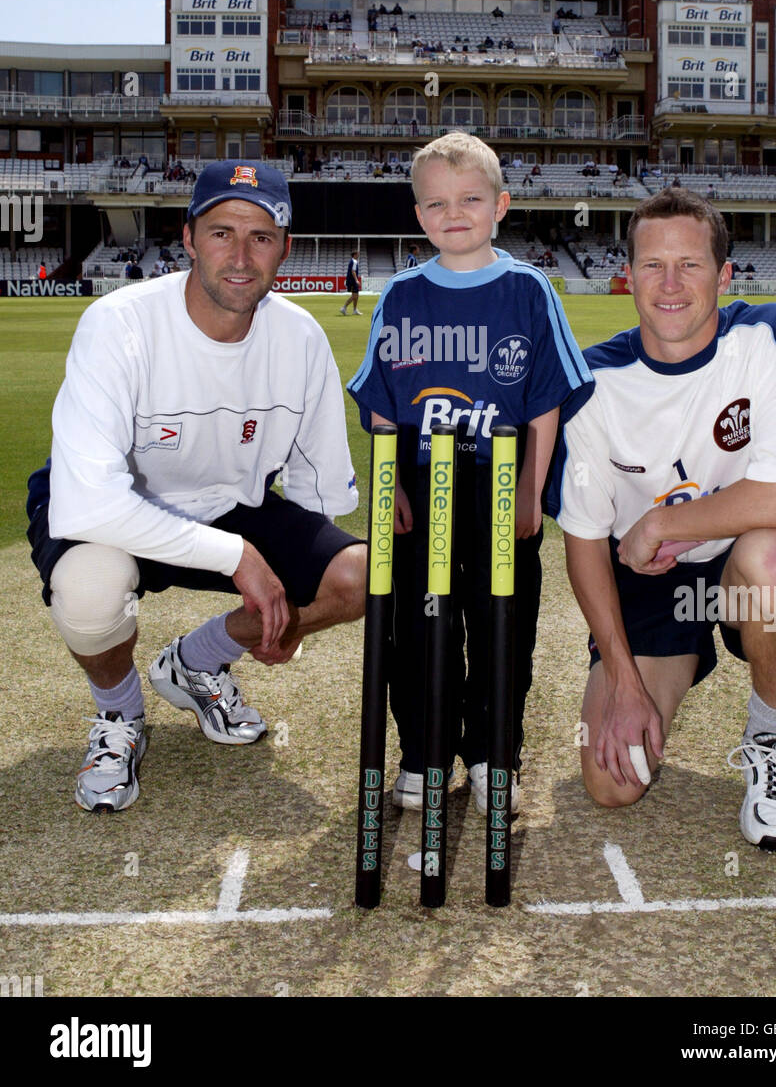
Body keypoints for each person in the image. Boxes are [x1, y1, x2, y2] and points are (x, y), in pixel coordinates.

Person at [26, 160, 365, 812]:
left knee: (364, 575)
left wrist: (295, 612)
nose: (240, 256)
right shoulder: (118, 324)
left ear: (285, 249)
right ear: (188, 239)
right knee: (90, 593)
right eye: (221, 233)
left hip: (228, 506)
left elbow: (321, 497)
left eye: (261, 237)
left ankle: (197, 661)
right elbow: (91, 500)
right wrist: (238, 559)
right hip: (109, 511)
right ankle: (121, 717)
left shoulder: (301, 339)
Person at [549, 188, 776, 850]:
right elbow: (585, 543)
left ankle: (772, 740)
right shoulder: (594, 385)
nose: (671, 283)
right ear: (628, 276)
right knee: (613, 781)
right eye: (653, 265)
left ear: (724, 275)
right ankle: (640, 676)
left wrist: (660, 525)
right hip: (656, 588)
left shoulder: (772, 336)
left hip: (746, 565)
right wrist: (624, 680)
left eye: (690, 264)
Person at [348, 132, 594, 813]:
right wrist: (387, 488)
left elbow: (545, 402)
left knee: (500, 629)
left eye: (469, 200)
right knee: (417, 627)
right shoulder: (399, 296)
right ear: (419, 213)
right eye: (435, 203)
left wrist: (530, 494)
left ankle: (493, 755)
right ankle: (424, 755)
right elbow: (381, 410)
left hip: (500, 479)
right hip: (423, 483)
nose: (452, 214)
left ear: (500, 205)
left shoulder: (529, 290)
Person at [340, 249, 361, 314]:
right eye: (357, 254)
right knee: (354, 296)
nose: (358, 255)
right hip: (352, 281)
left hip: (351, 280)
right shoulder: (354, 261)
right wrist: (356, 280)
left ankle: (354, 310)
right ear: (354, 255)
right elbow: (353, 271)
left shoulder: (353, 261)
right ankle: (344, 307)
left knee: (356, 295)